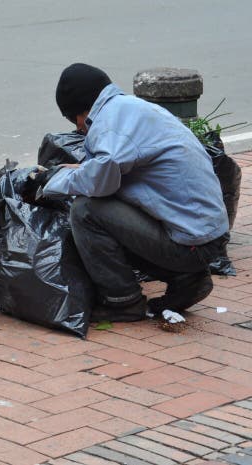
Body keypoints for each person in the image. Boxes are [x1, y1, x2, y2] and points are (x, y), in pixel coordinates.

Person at [35, 63, 229, 322]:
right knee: (100, 205)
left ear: (82, 109)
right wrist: (75, 170)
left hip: (190, 244)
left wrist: (53, 179)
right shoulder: (127, 109)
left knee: (85, 211)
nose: (80, 129)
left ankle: (123, 301)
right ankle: (186, 279)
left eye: (74, 121)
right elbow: (117, 167)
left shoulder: (108, 125)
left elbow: (101, 182)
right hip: (204, 237)